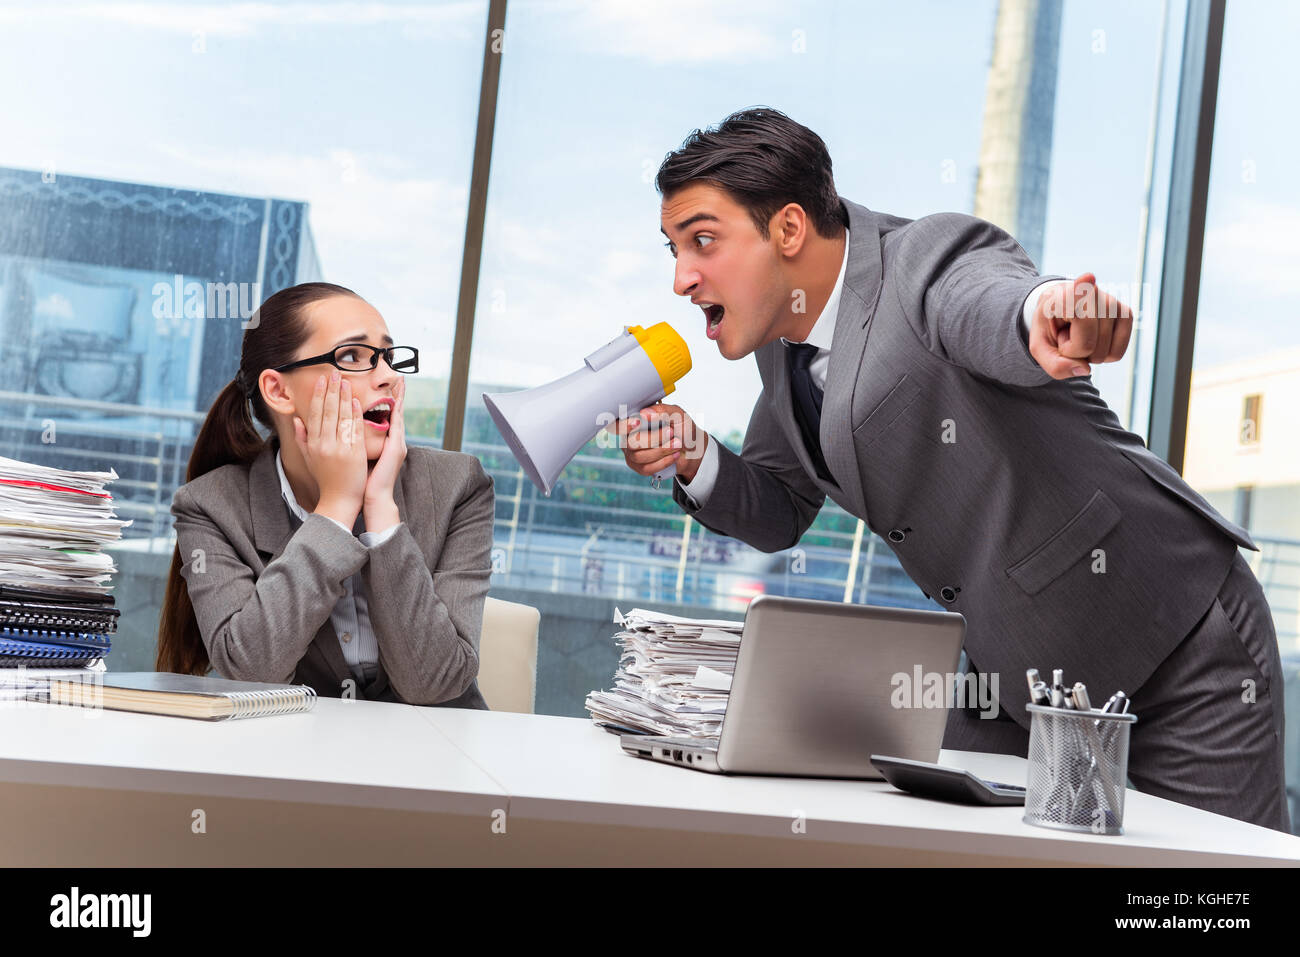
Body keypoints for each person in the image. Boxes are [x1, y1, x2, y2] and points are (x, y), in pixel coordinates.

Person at [614, 107, 1289, 832]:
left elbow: (990, 302)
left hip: (1173, 643)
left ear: (787, 228)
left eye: (703, 241)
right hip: (1021, 683)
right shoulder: (784, 352)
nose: (683, 278)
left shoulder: (922, 261)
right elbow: (779, 505)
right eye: (674, 248)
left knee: (1212, 892)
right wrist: (696, 456)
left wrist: (1049, 315)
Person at [156, 282, 494, 708]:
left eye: (388, 357)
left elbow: (435, 683)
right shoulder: (208, 506)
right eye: (352, 356)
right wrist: (335, 509)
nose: (389, 376)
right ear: (279, 391)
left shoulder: (459, 486)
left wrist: (381, 513)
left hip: (434, 762)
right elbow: (253, 673)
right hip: (294, 759)